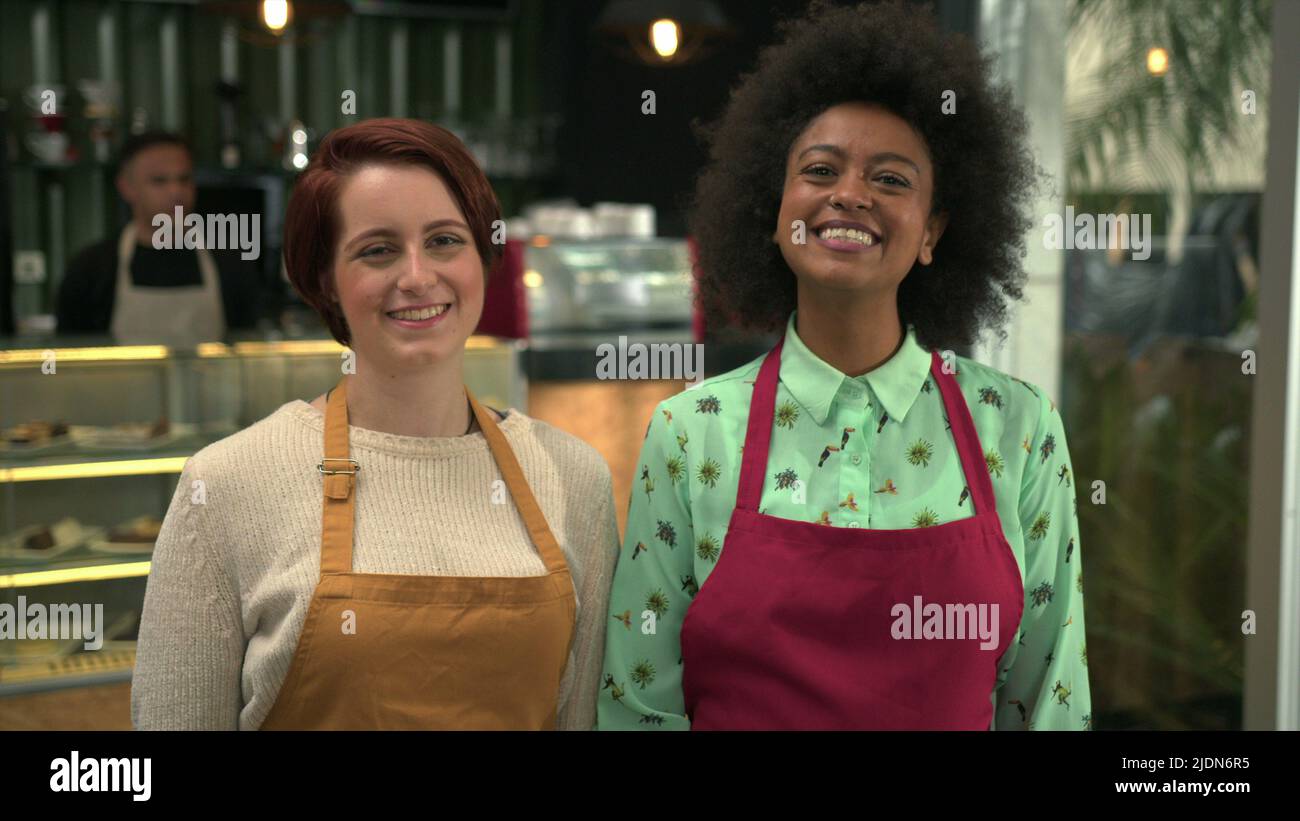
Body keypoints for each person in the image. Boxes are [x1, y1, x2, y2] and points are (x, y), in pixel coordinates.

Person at [599, 0, 1092, 730]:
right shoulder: (690, 431)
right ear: (775, 213)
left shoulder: (1019, 429)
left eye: (891, 180)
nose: (850, 194)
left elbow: (1050, 698)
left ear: (932, 232)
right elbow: (639, 707)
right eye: (821, 169)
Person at [132, 118, 619, 729]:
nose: (417, 276)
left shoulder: (575, 478)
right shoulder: (227, 486)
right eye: (377, 250)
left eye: (444, 240)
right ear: (325, 283)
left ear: (483, 258)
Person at [55, 131, 264, 343]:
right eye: (159, 181)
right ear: (126, 188)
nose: (176, 191)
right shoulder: (92, 268)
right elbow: (71, 354)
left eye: (184, 179)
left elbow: (247, 349)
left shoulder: (229, 264)